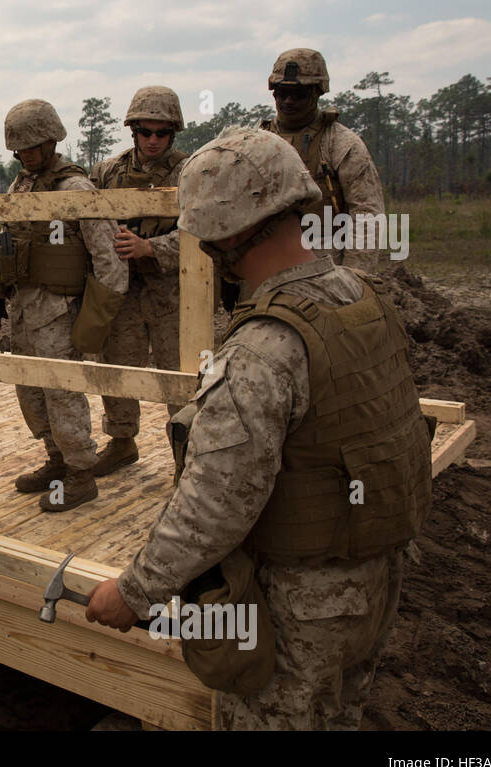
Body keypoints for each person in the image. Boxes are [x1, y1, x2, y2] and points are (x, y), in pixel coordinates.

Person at [84, 128, 432, 730]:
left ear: (226, 232)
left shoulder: (263, 348)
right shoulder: (363, 298)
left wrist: (136, 591)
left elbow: (216, 501)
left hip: (300, 604)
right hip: (376, 581)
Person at [0, 99, 128, 512]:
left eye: (33, 147)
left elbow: (108, 257)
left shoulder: (76, 189)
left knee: (62, 391)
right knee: (30, 388)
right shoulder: (18, 188)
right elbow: (7, 245)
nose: (26, 155)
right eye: (20, 150)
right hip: (25, 306)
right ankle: (56, 459)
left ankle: (80, 473)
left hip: (62, 307)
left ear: (51, 141)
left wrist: (97, 316)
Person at [89, 86, 188, 476]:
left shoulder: (191, 171)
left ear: (172, 133)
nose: (152, 140)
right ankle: (121, 441)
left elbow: (204, 231)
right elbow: (89, 220)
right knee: (117, 366)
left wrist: (153, 247)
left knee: (179, 374)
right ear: (132, 130)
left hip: (173, 290)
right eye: (144, 132)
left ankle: (187, 453)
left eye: (160, 133)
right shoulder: (108, 172)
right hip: (123, 289)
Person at [261, 48, 385, 275]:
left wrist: (355, 276)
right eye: (282, 93)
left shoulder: (341, 143)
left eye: (298, 94)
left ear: (317, 93)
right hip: (266, 259)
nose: (288, 101)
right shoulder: (256, 143)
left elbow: (367, 215)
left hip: (325, 261)